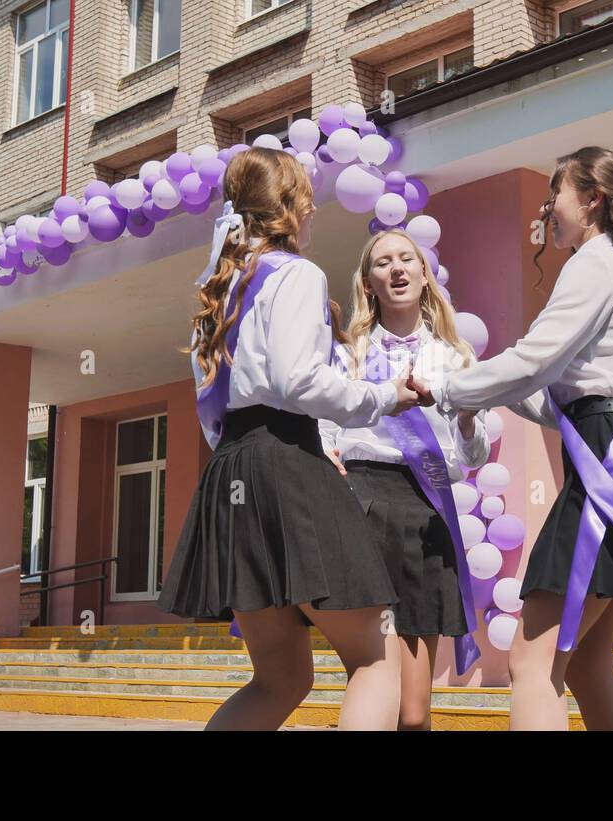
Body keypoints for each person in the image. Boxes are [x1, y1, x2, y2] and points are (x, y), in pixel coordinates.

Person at [409, 146, 613, 730]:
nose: (546, 209)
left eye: (555, 194)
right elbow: (560, 398)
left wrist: (449, 388)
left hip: (605, 477)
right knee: (590, 665)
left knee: (531, 663)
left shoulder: (592, 261)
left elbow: (536, 361)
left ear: (590, 200)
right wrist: (480, 377)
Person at [155, 148, 421, 730]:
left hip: (231, 467)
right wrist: (382, 397)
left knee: (281, 678)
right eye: (307, 198)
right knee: (374, 657)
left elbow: (216, 401)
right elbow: (298, 380)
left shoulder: (218, 288)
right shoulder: (297, 273)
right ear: (292, 205)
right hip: (284, 459)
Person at [319, 228, 491, 730]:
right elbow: (324, 426)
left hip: (428, 511)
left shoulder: (455, 356)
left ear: (423, 273)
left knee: (414, 715)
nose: (395, 269)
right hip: (365, 501)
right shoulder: (348, 352)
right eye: (382, 262)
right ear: (368, 282)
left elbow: (470, 457)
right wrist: (329, 458)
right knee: (379, 685)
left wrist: (463, 419)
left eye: (405, 259)